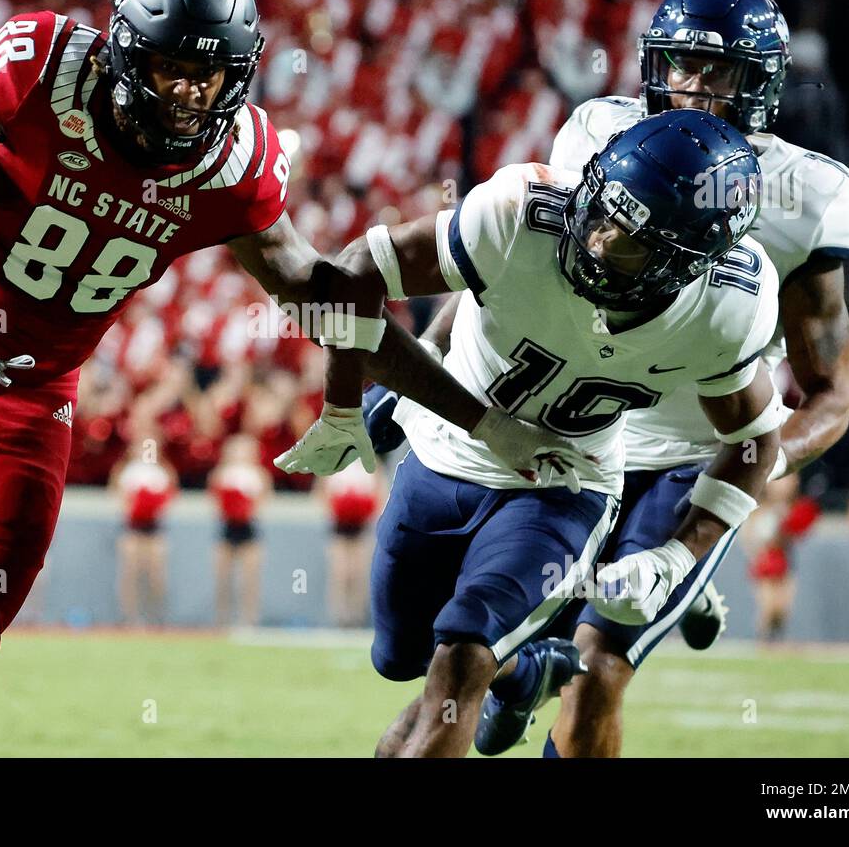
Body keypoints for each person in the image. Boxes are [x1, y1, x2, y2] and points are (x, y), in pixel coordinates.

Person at [0, 0, 522, 758]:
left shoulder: (233, 164)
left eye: (211, 75)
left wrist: (478, 416)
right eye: (173, 67)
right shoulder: (40, 71)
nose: (190, 93)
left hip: (37, 400)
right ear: (123, 53)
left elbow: (331, 307)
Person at [364, 0, 849, 757]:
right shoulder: (603, 136)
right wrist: (430, 363)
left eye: (720, 71)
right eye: (681, 65)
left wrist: (734, 490)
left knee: (601, 664)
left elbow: (831, 395)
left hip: (690, 456)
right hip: (570, 434)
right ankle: (525, 665)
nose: (695, 88)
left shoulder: (806, 198)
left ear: (761, 83)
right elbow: (511, 275)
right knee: (453, 655)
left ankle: (581, 639)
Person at [282, 109, 784, 757]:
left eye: (627, 239)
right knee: (399, 657)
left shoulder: (725, 309)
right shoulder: (521, 213)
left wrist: (677, 556)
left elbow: (755, 441)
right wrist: (345, 403)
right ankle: (526, 673)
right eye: (600, 210)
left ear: (683, 264)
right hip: (441, 457)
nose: (597, 239)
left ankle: (500, 665)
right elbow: (351, 275)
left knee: (461, 658)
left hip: (563, 485)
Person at [741, 472, 819, 641]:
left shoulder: (794, 507)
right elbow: (749, 536)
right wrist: (757, 554)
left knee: (782, 610)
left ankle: (776, 643)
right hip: (766, 562)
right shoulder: (760, 509)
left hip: (786, 562)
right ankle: (763, 641)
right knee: (768, 607)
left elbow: (798, 535)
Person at [110, 435, 177, 627]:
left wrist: (154, 505)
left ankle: (155, 617)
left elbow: (171, 495)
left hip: (154, 528)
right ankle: (129, 618)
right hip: (133, 527)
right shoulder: (126, 471)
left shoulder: (162, 471)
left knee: (156, 575)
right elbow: (118, 496)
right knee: (130, 573)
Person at [208, 434, 271, 627]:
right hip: (227, 528)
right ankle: (222, 618)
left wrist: (246, 508)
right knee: (223, 578)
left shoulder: (259, 474)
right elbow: (213, 500)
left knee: (249, 579)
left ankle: (249, 619)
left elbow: (264, 501)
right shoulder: (221, 473)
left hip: (248, 528)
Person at [318, 458, 382, 627]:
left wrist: (366, 512)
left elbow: (379, 493)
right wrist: (336, 511)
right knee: (340, 572)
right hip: (339, 526)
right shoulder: (334, 464)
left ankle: (356, 616)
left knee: (358, 572)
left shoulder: (372, 465)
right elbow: (322, 493)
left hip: (361, 526)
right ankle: (339, 615)